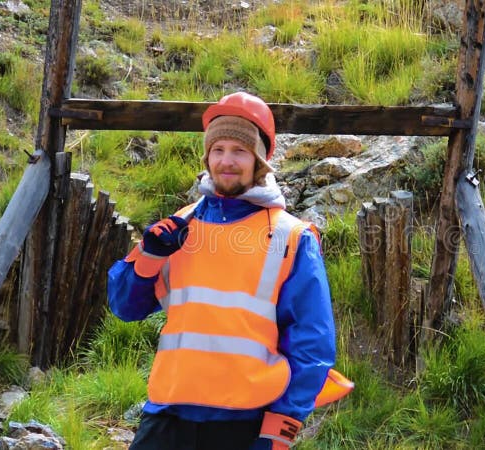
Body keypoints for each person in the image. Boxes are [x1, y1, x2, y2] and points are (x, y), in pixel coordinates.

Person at [107, 92, 352, 450]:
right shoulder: (180, 226)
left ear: (259, 161)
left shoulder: (292, 237)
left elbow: (312, 346)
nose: (226, 161)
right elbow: (124, 308)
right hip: (167, 416)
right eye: (217, 150)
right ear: (207, 157)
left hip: (245, 424)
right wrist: (147, 257)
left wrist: (280, 430)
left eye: (239, 151)